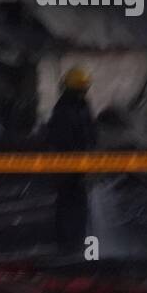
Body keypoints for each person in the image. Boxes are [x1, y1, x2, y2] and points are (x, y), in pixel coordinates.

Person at [44, 66, 97, 251]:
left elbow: (91, 134)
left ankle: (77, 244)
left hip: (78, 168)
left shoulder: (80, 108)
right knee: (68, 206)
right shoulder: (64, 111)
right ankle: (67, 246)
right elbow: (60, 140)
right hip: (67, 170)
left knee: (78, 207)